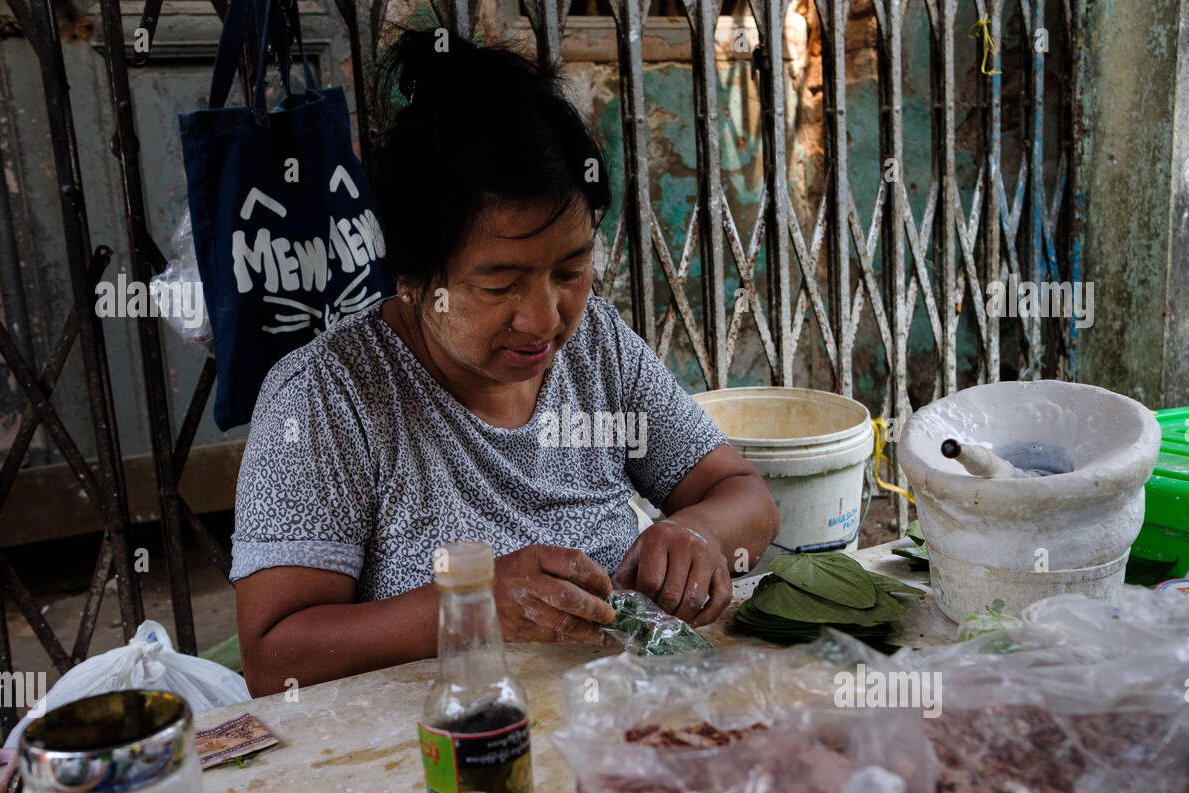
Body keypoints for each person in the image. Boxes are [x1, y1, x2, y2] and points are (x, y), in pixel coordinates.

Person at [230, 27, 778, 697]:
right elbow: (273, 656)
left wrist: (697, 533)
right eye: (499, 285)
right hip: (443, 749)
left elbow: (743, 493)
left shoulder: (598, 347)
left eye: (571, 270)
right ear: (411, 277)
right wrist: (473, 606)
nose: (544, 319)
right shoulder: (326, 399)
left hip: (614, 722)